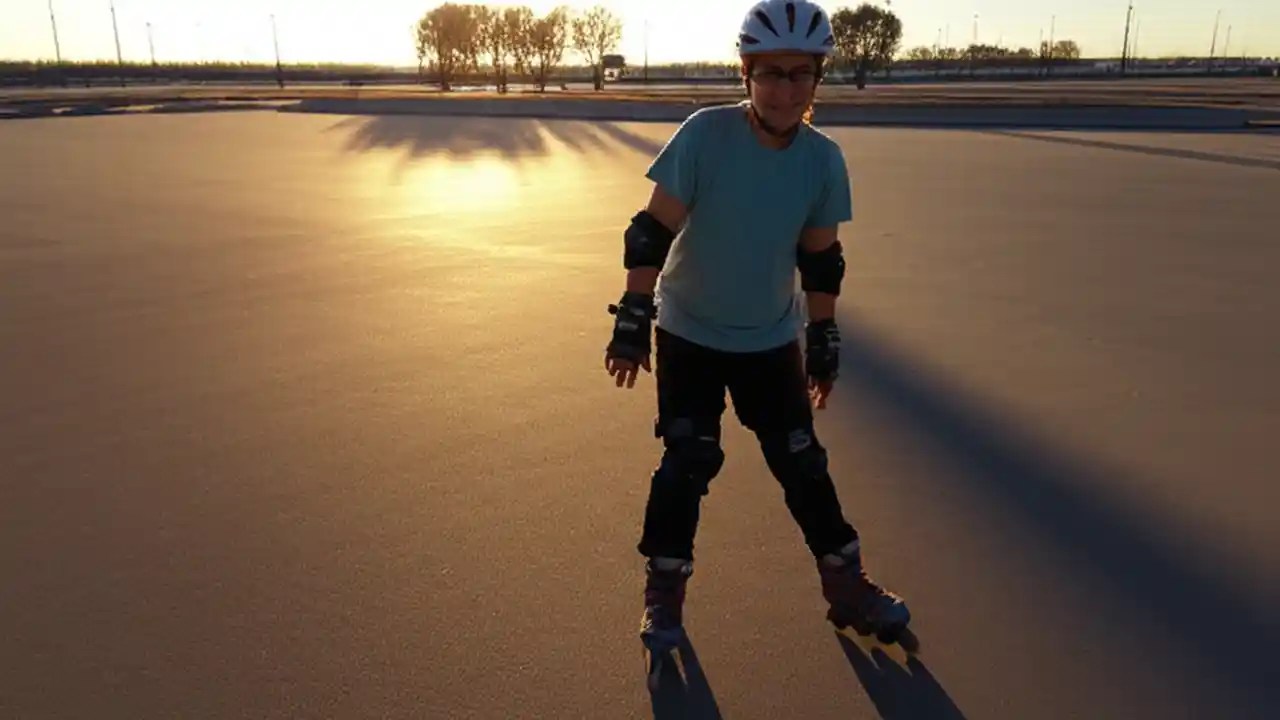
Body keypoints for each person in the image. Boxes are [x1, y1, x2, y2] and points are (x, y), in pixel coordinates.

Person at [603, 0, 912, 668]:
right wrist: (633, 316)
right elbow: (651, 230)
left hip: (770, 339)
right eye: (770, 72)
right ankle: (664, 593)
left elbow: (821, 258)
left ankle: (846, 586)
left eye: (801, 74)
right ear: (745, 73)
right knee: (688, 461)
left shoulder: (823, 160)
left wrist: (823, 339)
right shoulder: (705, 135)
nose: (785, 89)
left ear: (817, 80)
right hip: (688, 331)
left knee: (802, 462)